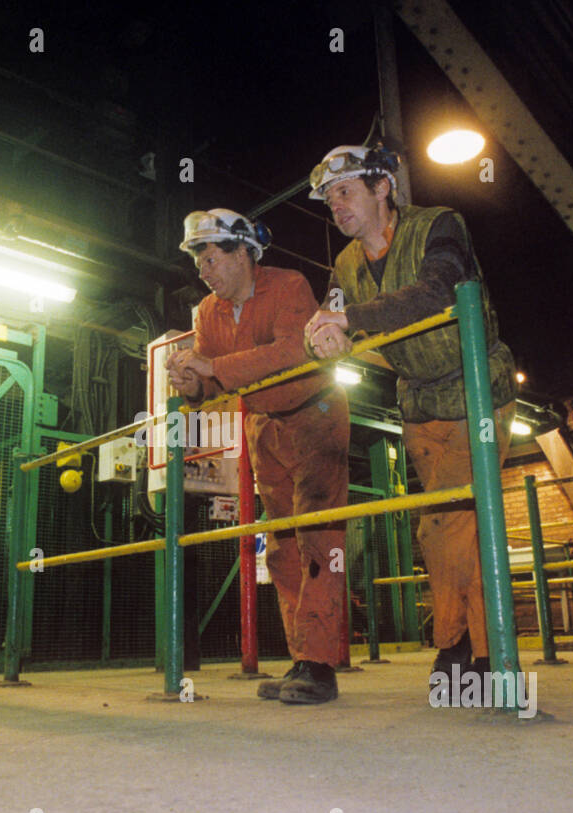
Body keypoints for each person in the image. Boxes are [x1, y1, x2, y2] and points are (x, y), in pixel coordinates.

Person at [303, 145, 517, 688]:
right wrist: (321, 337)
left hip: (475, 392)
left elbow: (436, 291)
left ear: (383, 188)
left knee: (466, 522)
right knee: (438, 526)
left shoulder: (441, 226)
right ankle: (457, 645)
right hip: (421, 405)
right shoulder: (346, 267)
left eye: (346, 191)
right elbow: (329, 318)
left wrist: (345, 318)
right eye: (329, 199)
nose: (336, 205)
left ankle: (484, 655)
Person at [166, 208, 348, 705]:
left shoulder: (290, 286)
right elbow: (208, 380)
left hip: (316, 416)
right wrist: (191, 386)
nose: (202, 268)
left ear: (245, 251)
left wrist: (212, 367)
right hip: (264, 428)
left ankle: (319, 664)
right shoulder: (207, 312)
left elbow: (294, 351)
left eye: (210, 255)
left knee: (319, 538)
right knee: (282, 546)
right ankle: (303, 660)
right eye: (197, 259)